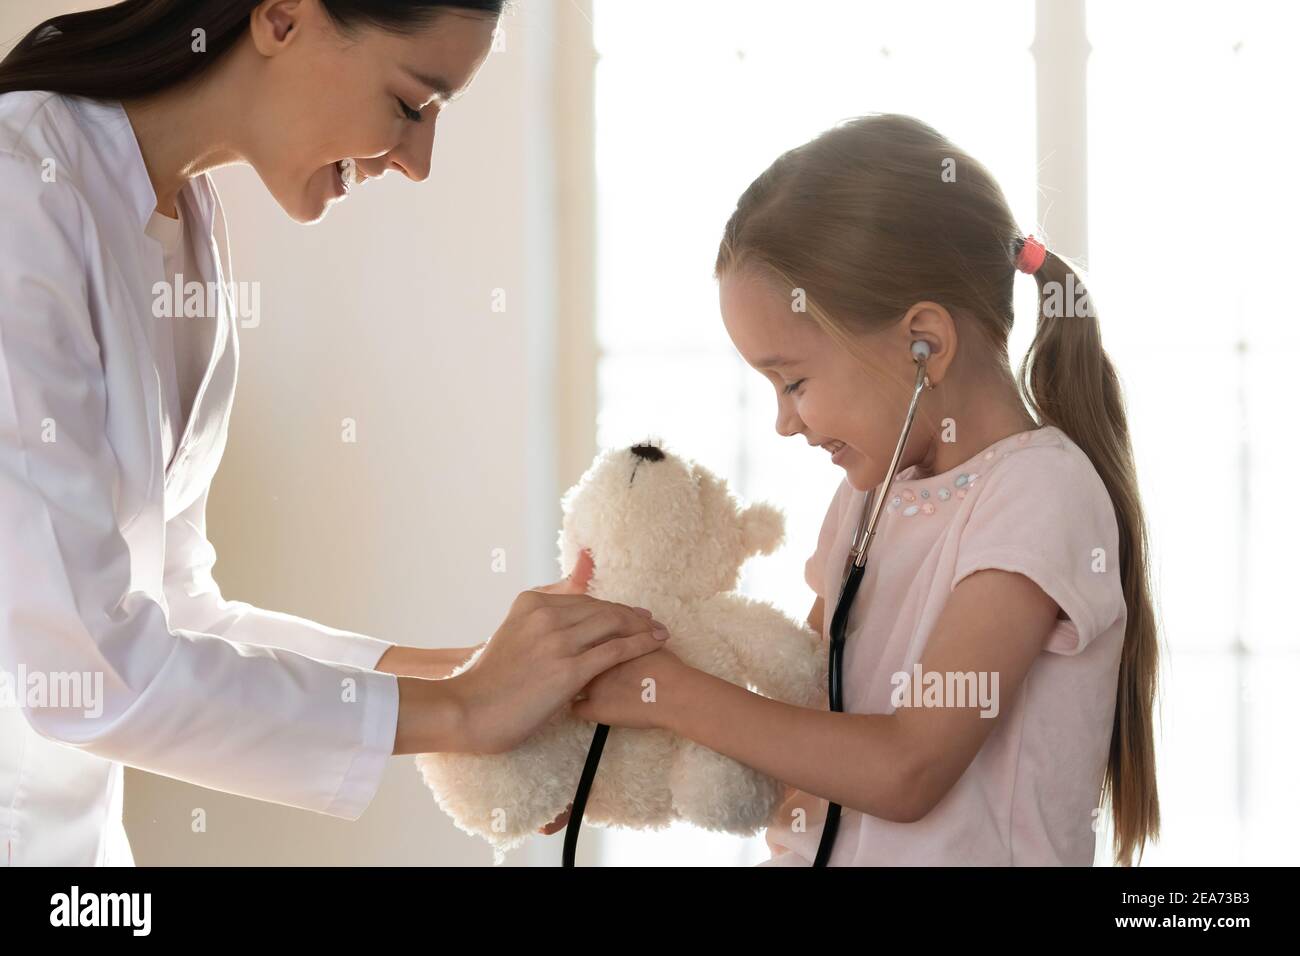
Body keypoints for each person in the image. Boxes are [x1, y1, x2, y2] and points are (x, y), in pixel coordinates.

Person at [0, 0, 670, 866]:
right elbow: (87, 670)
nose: (418, 161)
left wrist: (481, 680)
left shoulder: (191, 225)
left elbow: (177, 608)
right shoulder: (21, 191)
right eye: (410, 103)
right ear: (282, 19)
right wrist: (463, 713)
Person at [570, 114, 1161, 866]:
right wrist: (608, 756)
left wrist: (673, 691)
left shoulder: (1039, 494)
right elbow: (793, 721)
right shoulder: (867, 500)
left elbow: (908, 767)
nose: (785, 421)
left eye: (794, 381)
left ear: (926, 343)